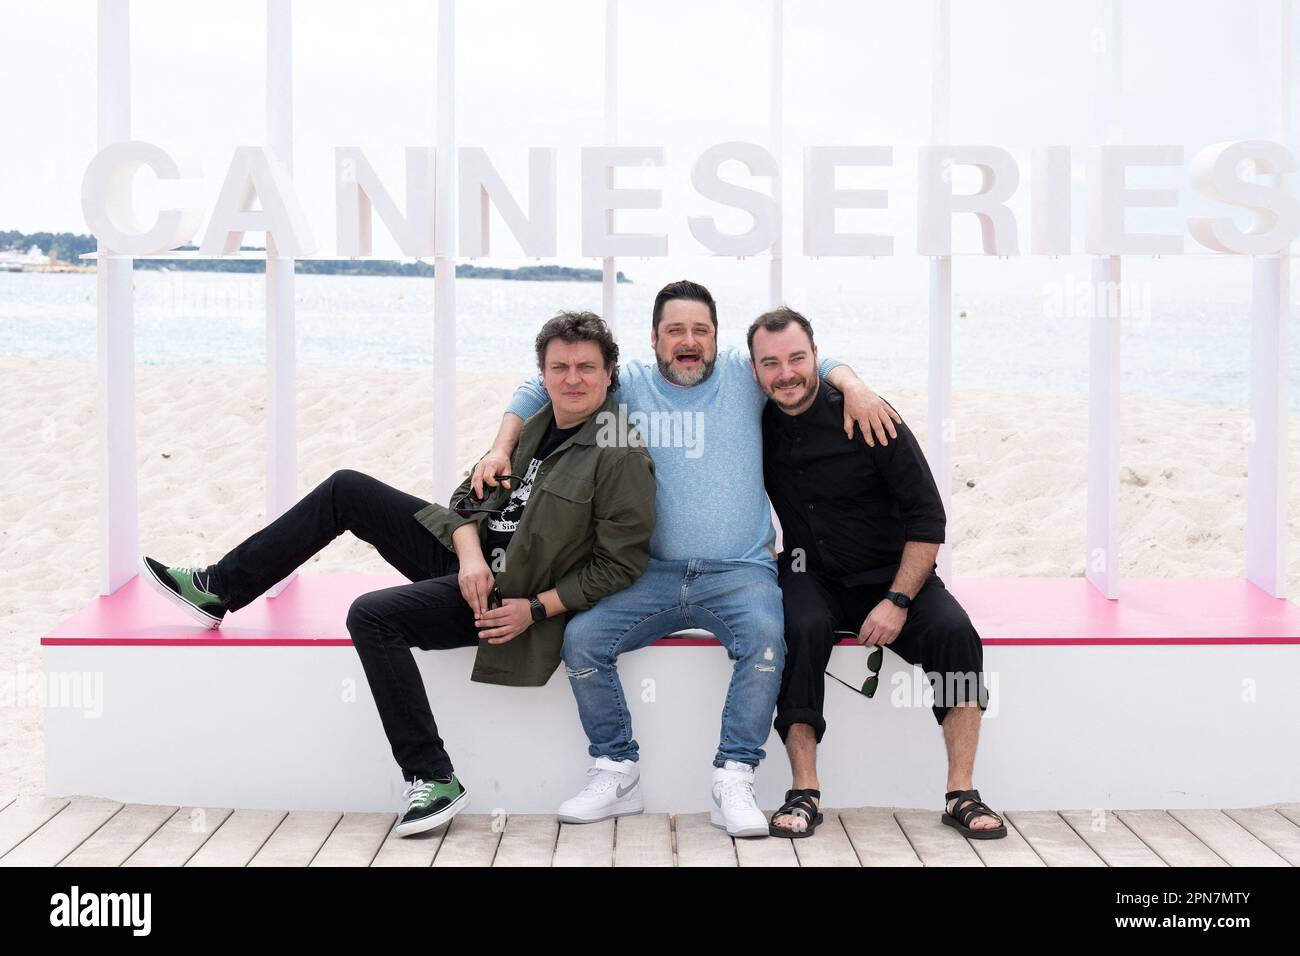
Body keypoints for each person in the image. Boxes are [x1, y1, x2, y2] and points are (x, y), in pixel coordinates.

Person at [139, 311, 656, 837]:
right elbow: (466, 501)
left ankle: (432, 776)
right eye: (559, 367)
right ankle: (218, 589)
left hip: (507, 598)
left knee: (372, 615)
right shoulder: (533, 427)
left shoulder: (620, 452)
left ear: (609, 373)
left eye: (586, 367)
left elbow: (620, 563)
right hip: (470, 561)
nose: (572, 379)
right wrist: (469, 549)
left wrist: (536, 608)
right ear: (541, 374)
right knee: (347, 488)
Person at [471, 280, 901, 836]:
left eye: (700, 330)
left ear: (718, 340)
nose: (688, 340)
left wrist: (857, 387)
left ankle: (735, 777)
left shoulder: (744, 381)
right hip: (649, 574)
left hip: (739, 572)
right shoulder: (627, 385)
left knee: (768, 640)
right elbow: (538, 385)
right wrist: (502, 446)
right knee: (583, 640)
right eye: (675, 330)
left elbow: (820, 359)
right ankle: (616, 769)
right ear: (653, 338)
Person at [749, 305, 1005, 840]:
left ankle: (961, 791)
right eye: (771, 363)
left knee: (956, 635)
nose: (786, 373)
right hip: (808, 571)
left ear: (818, 357)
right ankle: (804, 791)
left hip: (892, 573)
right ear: (755, 370)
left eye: (798, 358)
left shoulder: (865, 413)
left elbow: (928, 519)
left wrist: (898, 601)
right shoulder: (757, 417)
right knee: (799, 629)